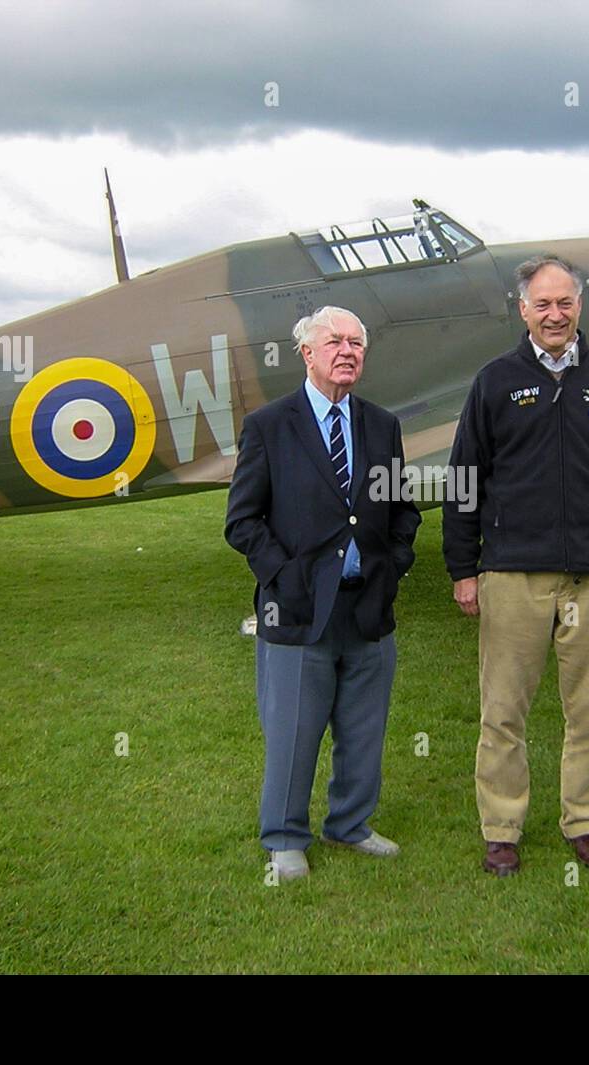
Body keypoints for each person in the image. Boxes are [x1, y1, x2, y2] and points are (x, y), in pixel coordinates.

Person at [442, 255, 589, 876]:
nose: (555, 314)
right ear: (524, 310)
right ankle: (502, 828)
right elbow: (464, 481)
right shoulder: (494, 382)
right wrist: (464, 567)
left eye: (565, 303)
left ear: (580, 308)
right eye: (543, 304)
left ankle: (584, 822)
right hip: (513, 574)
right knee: (503, 712)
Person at [225, 306, 421, 881]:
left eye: (357, 343)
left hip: (367, 606)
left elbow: (401, 507)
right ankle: (284, 838)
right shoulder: (269, 425)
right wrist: (285, 578)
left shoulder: (383, 425)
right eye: (334, 341)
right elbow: (242, 522)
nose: (348, 351)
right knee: (293, 730)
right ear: (306, 353)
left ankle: (351, 824)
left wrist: (396, 563)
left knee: (364, 728)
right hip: (298, 609)